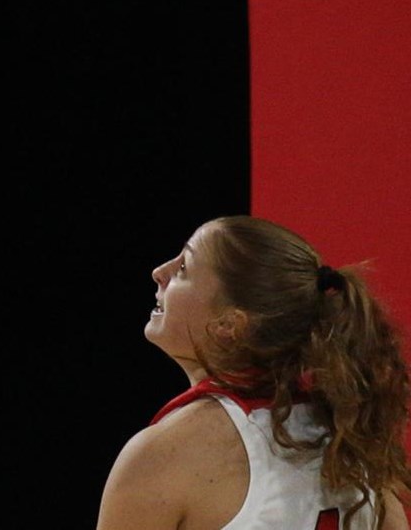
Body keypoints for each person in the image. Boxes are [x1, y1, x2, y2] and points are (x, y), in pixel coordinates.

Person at [93, 216, 411, 530]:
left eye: (184, 269)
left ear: (229, 326)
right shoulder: (351, 439)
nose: (159, 272)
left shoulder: (162, 455)